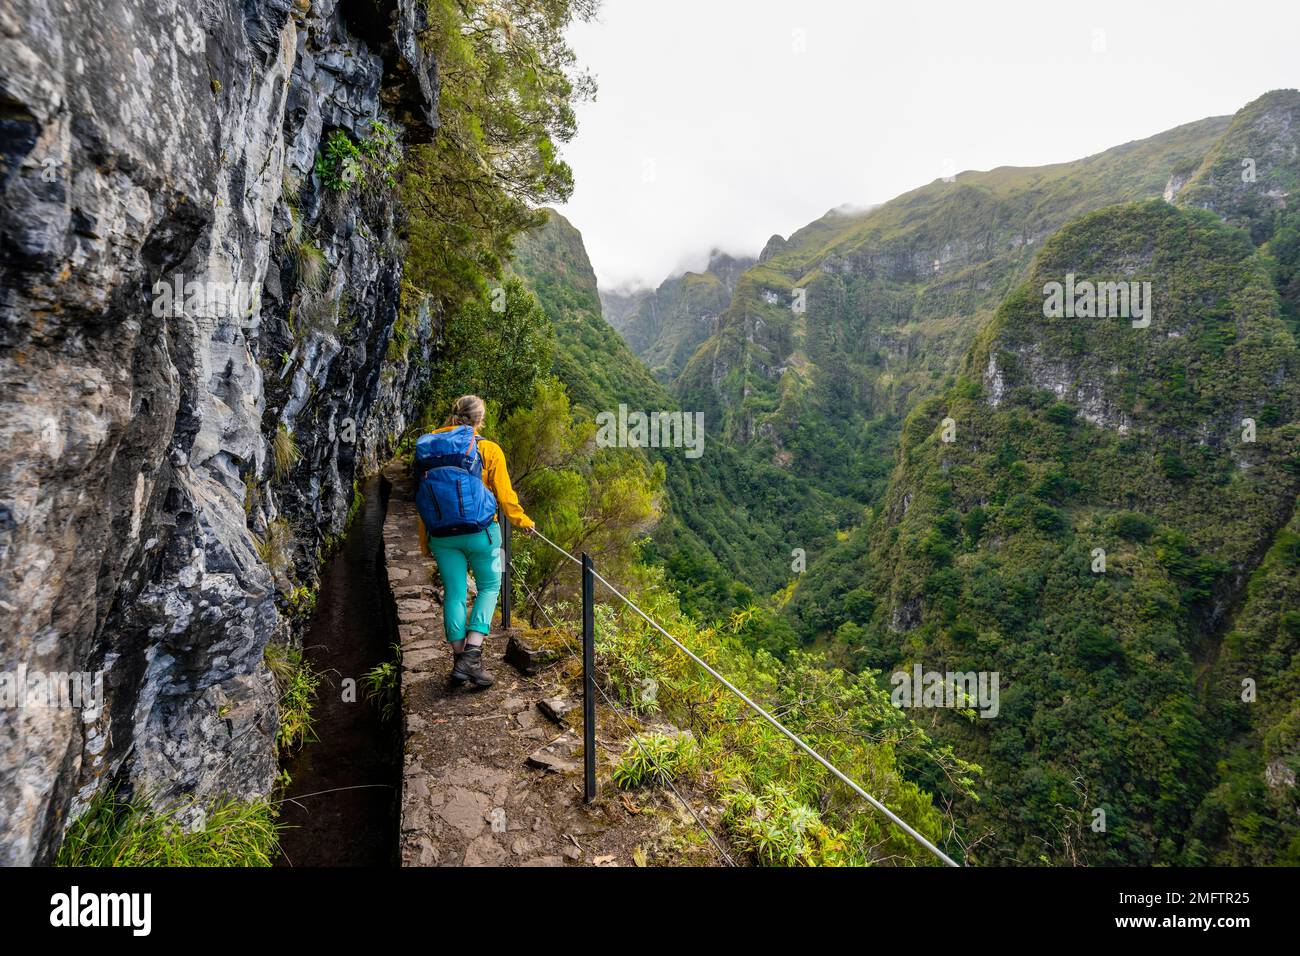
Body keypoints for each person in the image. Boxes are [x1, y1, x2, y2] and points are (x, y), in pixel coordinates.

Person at [415, 395, 535, 688]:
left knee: (455, 593)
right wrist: (523, 522)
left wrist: (424, 541)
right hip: (483, 534)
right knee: (491, 586)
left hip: (442, 536)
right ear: (480, 420)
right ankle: (472, 655)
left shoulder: (428, 448)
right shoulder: (488, 449)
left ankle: (460, 660)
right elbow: (505, 497)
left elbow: (423, 499)